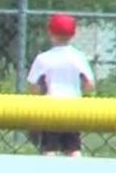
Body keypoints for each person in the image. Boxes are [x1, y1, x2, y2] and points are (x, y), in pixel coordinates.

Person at [26, 13, 95, 157]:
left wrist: (40, 94)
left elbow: (33, 85)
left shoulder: (43, 58)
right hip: (73, 107)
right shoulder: (79, 56)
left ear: (50, 33)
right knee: (73, 148)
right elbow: (90, 85)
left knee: (49, 148)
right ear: (73, 34)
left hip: (51, 107)